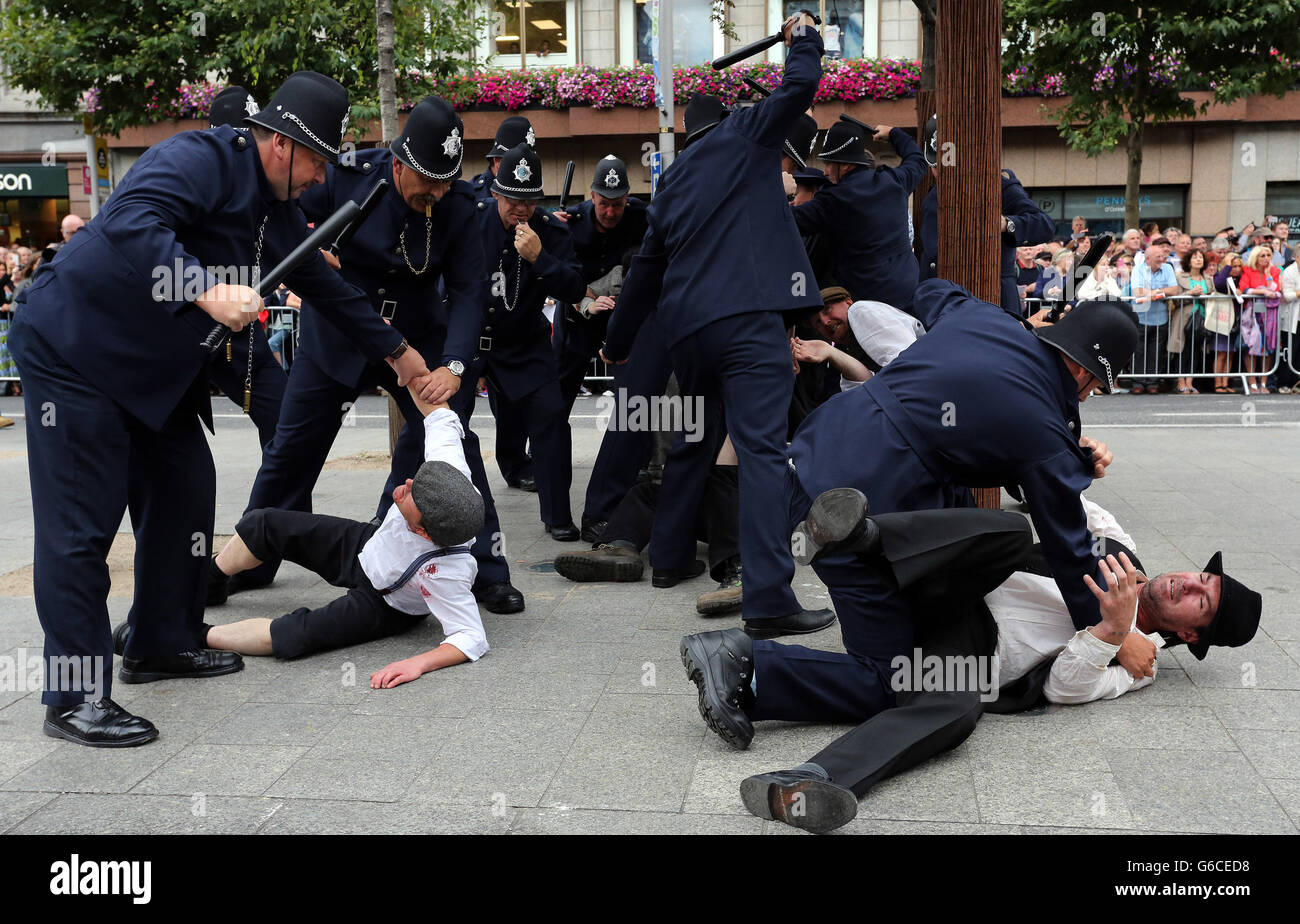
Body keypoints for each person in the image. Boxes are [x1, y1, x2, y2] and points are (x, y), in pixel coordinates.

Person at [9, 70, 401, 747]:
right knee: (82, 528)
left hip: (152, 370)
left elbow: (322, 286)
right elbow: (133, 221)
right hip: (76, 348)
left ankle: (161, 640)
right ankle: (71, 699)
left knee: (187, 488)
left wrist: (402, 355)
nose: (318, 178)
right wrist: (207, 290)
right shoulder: (196, 159)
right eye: (316, 160)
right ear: (281, 145)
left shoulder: (276, 214)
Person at [677, 280, 1139, 748]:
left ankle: (868, 579)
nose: (1086, 400)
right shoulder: (1046, 433)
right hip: (871, 497)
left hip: (819, 443)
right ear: (1083, 373)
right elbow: (1070, 551)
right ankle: (746, 664)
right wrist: (1112, 634)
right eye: (1095, 389)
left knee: (945, 546)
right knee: (898, 679)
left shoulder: (986, 321)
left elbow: (934, 291)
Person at [733, 502, 1262, 833]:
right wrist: (1077, 460)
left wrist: (1113, 633)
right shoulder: (1120, 545)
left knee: (955, 710)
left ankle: (805, 772)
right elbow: (1057, 498)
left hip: (966, 645)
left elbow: (1064, 690)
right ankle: (864, 536)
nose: (1187, 583)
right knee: (1011, 529)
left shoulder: (1139, 660)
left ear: (1190, 634)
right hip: (944, 580)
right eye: (1199, 576)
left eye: (1200, 600)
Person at [230, 96, 525, 615]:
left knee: (451, 439)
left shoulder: (458, 206)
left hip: (415, 344)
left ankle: (486, 570)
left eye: (446, 182)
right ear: (398, 161)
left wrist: (454, 366)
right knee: (288, 455)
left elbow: (470, 290)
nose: (435, 193)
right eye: (426, 180)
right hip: (339, 335)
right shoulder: (347, 178)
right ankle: (247, 560)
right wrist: (305, 247)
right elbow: (286, 218)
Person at [602, 12, 835, 640]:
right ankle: (768, 599)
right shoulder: (744, 136)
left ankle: (670, 560)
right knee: (761, 452)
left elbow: (646, 272)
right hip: (745, 322)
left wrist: (617, 344)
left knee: (692, 444)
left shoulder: (672, 181)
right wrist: (805, 39)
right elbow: (797, 90)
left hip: (689, 332)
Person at [118, 382, 488, 685]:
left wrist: (417, 664)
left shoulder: (448, 573)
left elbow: (470, 638)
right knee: (265, 523)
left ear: (423, 529)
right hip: (365, 545)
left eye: (411, 497)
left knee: (294, 635)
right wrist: (405, 362)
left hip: (386, 604)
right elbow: (442, 418)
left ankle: (183, 636)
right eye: (413, 482)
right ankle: (211, 580)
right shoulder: (449, 472)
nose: (404, 487)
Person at [473, 142, 585, 540]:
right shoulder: (475, 221)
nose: (520, 210)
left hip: (523, 340)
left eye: (529, 201)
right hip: (471, 338)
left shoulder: (551, 232)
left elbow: (574, 287)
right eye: (512, 200)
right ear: (496, 193)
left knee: (552, 414)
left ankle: (557, 515)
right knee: (440, 420)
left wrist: (541, 258)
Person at [553, 438, 744, 616]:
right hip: (712, 501)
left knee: (724, 479)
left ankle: (740, 571)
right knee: (646, 494)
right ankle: (619, 547)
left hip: (747, 509)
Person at [202, 85, 289, 450]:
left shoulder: (266, 190)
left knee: (286, 426)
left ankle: (275, 509)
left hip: (241, 334)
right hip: (180, 328)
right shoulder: (200, 174)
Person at [916, 115, 1054, 317]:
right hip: (944, 300)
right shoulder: (932, 195)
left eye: (946, 165)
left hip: (992, 297)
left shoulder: (999, 186)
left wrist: (1006, 224)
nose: (940, 172)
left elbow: (1044, 225)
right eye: (936, 166)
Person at [792, 118, 926, 316]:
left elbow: (785, 222)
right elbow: (917, 159)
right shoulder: (894, 181)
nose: (826, 171)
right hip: (909, 297)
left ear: (846, 166)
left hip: (869, 309)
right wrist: (893, 133)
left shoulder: (834, 200)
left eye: (830, 163)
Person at [1130, 235, 1178, 394]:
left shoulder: (1168, 268)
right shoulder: (1138, 269)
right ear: (1148, 258)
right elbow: (1137, 292)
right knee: (1139, 351)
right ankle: (1137, 382)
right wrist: (1154, 293)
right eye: (1158, 257)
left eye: (1162, 256)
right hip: (1141, 317)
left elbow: (1174, 289)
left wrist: (1156, 292)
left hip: (1160, 317)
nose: (1161, 259)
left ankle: (1152, 383)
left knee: (1156, 352)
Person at [1239, 244, 1282, 394]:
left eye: (1268, 255)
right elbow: (1243, 288)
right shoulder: (1248, 270)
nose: (1266, 258)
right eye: (1262, 256)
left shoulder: (1275, 271)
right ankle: (1252, 382)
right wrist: (1261, 291)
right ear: (1255, 257)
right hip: (1252, 315)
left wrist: (1269, 274)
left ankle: (1263, 381)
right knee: (1251, 347)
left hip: (1270, 315)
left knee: (1267, 348)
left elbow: (1276, 290)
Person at [1174, 249, 1215, 394]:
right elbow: (1175, 300)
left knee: (1196, 350)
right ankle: (1181, 382)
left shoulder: (1208, 279)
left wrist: (1204, 295)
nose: (1198, 260)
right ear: (1188, 261)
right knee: (1182, 349)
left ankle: (1190, 382)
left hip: (1202, 317)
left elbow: (1214, 298)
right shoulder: (1180, 278)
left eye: (1200, 258)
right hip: (1185, 317)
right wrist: (1190, 293)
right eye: (1195, 257)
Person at [1208, 252, 1245, 393]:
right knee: (1221, 352)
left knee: (1230, 352)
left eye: (1238, 266)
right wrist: (1227, 266)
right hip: (1222, 317)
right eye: (1234, 266)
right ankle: (1218, 383)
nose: (1236, 269)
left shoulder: (1241, 279)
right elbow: (1219, 284)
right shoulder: (1222, 275)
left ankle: (1225, 382)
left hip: (1235, 319)